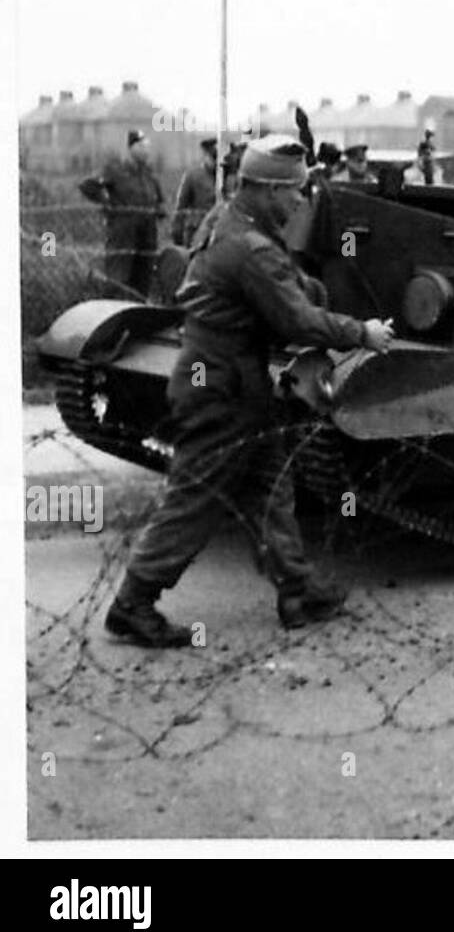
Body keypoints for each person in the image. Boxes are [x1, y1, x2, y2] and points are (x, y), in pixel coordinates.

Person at [103, 135, 396, 648]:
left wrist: (308, 290)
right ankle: (133, 602)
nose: (302, 200)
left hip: (232, 379)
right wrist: (363, 332)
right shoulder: (250, 246)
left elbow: (282, 286)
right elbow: (297, 320)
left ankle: (297, 589)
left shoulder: (228, 218)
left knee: (272, 483)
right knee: (196, 495)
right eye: (296, 191)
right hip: (222, 386)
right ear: (267, 189)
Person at [79, 129, 166, 298]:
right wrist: (106, 202)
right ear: (131, 148)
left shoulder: (148, 174)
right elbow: (87, 185)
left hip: (147, 236)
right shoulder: (116, 171)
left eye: (147, 146)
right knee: (118, 281)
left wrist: (158, 210)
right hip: (122, 235)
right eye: (141, 146)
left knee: (142, 281)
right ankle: (114, 316)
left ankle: (137, 317)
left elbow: (159, 200)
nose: (145, 150)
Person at [171, 138, 218, 248]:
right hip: (197, 232)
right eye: (213, 157)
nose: (216, 162)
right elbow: (181, 206)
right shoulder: (193, 176)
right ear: (205, 155)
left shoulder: (225, 177)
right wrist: (177, 232)